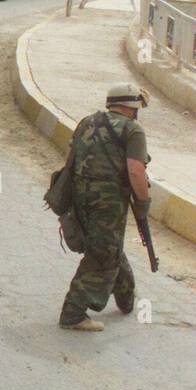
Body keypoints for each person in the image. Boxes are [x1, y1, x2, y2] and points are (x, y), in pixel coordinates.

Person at [59, 83, 152, 332]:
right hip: (107, 202)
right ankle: (73, 313)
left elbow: (70, 156)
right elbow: (135, 170)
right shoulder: (133, 131)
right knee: (103, 254)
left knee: (107, 246)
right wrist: (143, 203)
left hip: (80, 196)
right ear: (132, 106)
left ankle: (125, 298)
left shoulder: (87, 121)